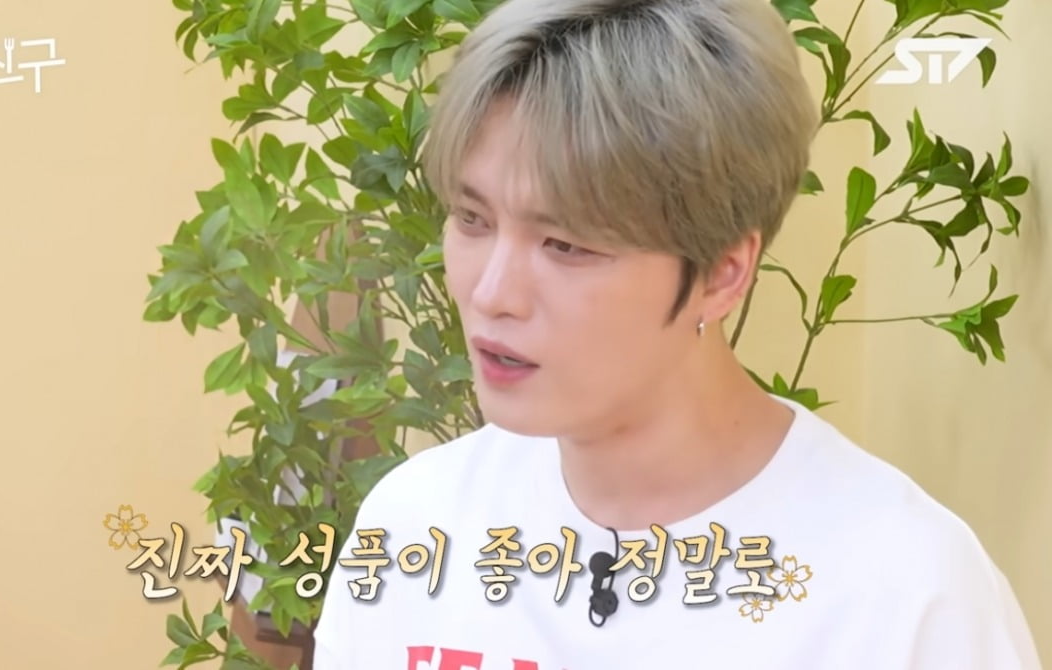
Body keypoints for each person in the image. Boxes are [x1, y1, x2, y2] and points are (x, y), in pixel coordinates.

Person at [311, 0, 1042, 667]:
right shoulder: (416, 529)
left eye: (566, 245)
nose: (491, 292)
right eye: (472, 219)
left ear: (723, 271)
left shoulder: (906, 595)